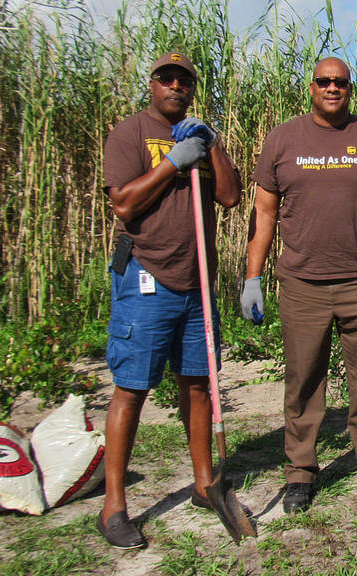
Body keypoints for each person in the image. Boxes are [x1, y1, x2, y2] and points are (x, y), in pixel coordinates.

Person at [242, 57, 357, 514]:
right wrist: (252, 277)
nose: (332, 88)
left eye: (340, 82)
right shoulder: (282, 140)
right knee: (302, 382)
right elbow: (264, 214)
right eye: (324, 81)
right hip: (302, 283)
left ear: (350, 88)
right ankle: (300, 473)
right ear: (311, 86)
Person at [100, 51, 241, 549]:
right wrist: (171, 164)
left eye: (184, 80)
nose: (175, 86)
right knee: (132, 388)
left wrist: (212, 146)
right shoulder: (131, 133)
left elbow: (229, 197)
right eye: (167, 78)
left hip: (196, 280)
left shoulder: (203, 137)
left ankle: (205, 482)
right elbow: (124, 202)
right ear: (153, 83)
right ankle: (114, 506)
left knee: (199, 383)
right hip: (146, 276)